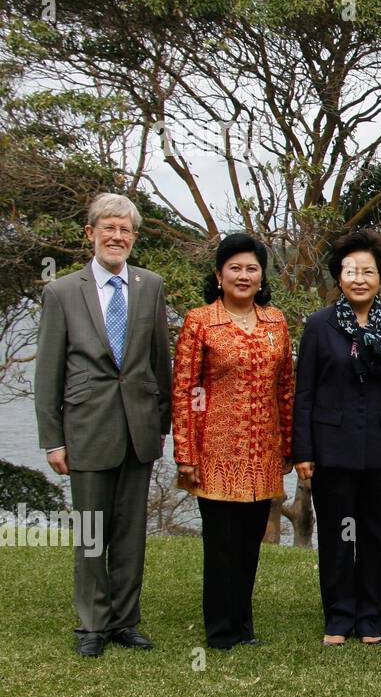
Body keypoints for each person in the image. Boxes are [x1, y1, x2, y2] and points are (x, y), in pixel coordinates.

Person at [34, 193, 173, 657]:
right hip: (86, 428)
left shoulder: (150, 285)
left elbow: (160, 362)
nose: (117, 237)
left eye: (125, 230)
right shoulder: (61, 292)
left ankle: (125, 620)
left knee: (131, 533)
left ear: (134, 237)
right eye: (108, 228)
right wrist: (52, 439)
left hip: (140, 428)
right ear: (90, 234)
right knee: (92, 530)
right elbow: (48, 371)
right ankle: (92, 623)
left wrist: (163, 422)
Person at [172, 233, 295, 651]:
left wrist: (289, 448)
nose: (244, 276)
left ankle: (244, 626)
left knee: (249, 544)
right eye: (235, 268)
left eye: (252, 268)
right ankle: (221, 632)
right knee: (222, 546)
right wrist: (185, 453)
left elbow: (286, 389)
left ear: (262, 276)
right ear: (219, 274)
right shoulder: (199, 321)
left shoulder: (276, 322)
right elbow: (185, 391)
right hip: (215, 453)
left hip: (263, 451)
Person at [293, 230, 381, 648]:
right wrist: (303, 451)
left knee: (378, 536)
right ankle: (339, 616)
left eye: (368, 271)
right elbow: (304, 391)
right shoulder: (320, 324)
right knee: (338, 534)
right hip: (332, 449)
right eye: (351, 271)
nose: (359, 278)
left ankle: (372, 619)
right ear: (339, 277)